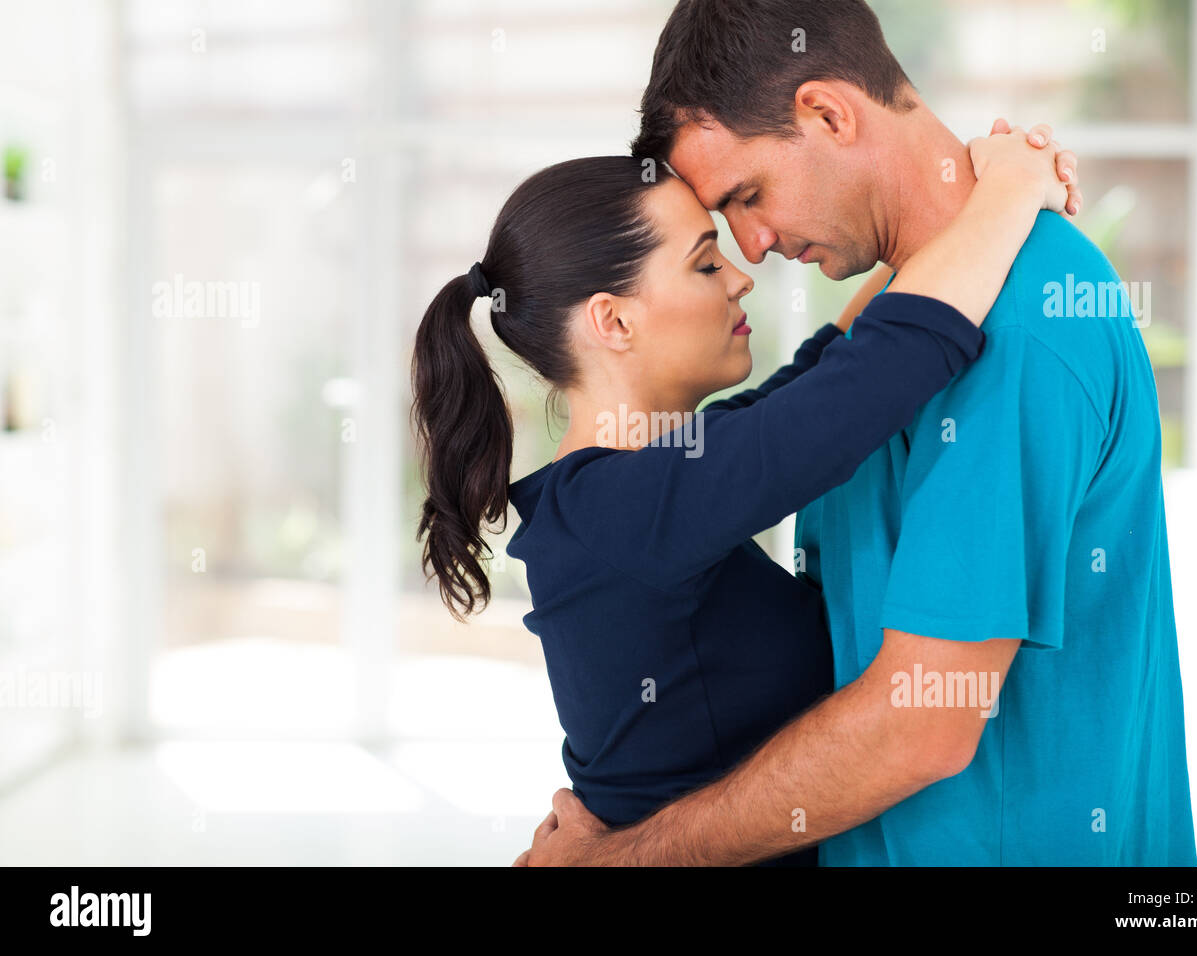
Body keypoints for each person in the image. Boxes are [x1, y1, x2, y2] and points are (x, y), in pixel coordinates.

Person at [520, 0, 1195, 867]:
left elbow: (921, 726)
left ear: (829, 113)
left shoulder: (1020, 328)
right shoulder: (900, 346)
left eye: (748, 198)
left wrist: (620, 859)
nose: (752, 251)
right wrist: (1003, 188)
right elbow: (839, 368)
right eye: (715, 241)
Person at [410, 128, 1076, 866]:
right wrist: (1011, 190)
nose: (740, 276)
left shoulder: (631, 489)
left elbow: (826, 371)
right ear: (614, 320)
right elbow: (872, 379)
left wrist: (958, 202)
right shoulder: (625, 508)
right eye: (704, 262)